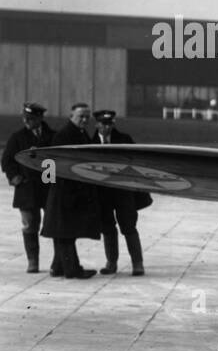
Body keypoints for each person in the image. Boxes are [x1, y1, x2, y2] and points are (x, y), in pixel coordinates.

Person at [39, 103, 101, 280]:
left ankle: (59, 266)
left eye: (87, 117)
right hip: (65, 191)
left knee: (65, 231)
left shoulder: (80, 134)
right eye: (81, 116)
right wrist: (52, 187)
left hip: (70, 192)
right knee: (66, 232)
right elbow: (49, 162)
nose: (85, 120)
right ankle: (72, 269)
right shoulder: (64, 135)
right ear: (71, 116)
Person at [92, 109, 148, 275]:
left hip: (123, 192)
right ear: (97, 124)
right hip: (102, 194)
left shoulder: (124, 139)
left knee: (129, 226)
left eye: (110, 124)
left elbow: (136, 160)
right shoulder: (89, 142)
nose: (107, 127)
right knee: (107, 228)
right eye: (103, 124)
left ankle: (137, 263)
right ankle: (111, 263)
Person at [2, 102, 55, 272]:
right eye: (25, 118)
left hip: (48, 189)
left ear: (40, 118)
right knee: (30, 225)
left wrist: (53, 180)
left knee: (55, 225)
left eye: (30, 118)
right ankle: (33, 261)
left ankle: (58, 262)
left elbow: (56, 160)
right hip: (26, 189)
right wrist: (14, 177)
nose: (26, 121)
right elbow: (7, 161)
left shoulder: (53, 136)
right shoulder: (17, 137)